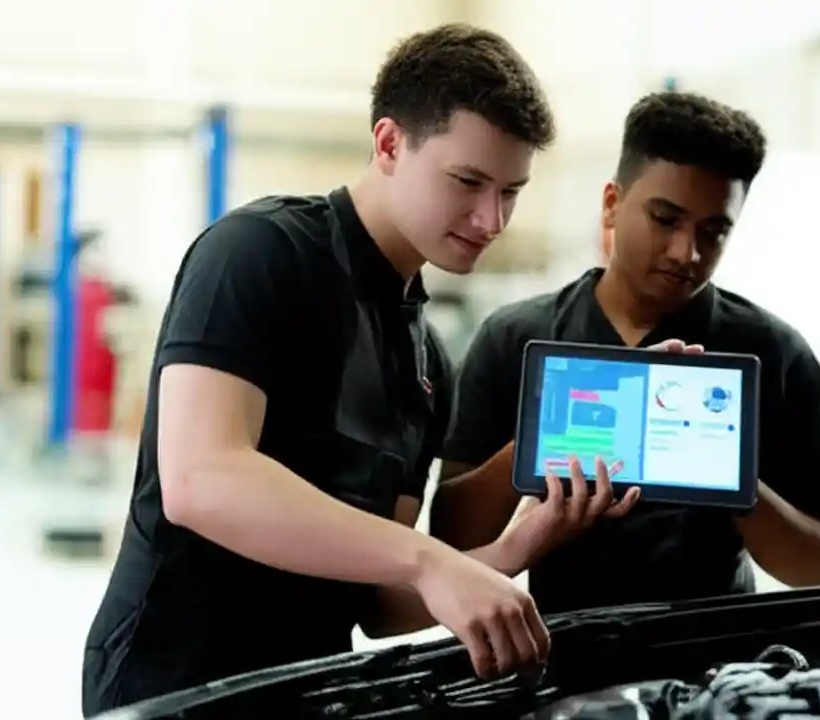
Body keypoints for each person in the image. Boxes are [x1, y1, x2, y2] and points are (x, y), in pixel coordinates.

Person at [80, 23, 631, 716]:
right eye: (468, 182)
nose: (491, 219)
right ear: (390, 144)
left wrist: (516, 546)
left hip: (311, 691)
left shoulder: (427, 362)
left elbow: (377, 605)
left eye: (511, 191)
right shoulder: (258, 254)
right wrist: (430, 560)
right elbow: (202, 479)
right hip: (175, 684)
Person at [430, 90, 820, 616]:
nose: (687, 252)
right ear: (611, 203)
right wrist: (547, 438)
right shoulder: (516, 338)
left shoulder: (773, 352)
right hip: (562, 645)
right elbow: (451, 541)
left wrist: (727, 471)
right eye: (665, 219)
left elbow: (815, 567)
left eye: (714, 232)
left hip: (719, 651)